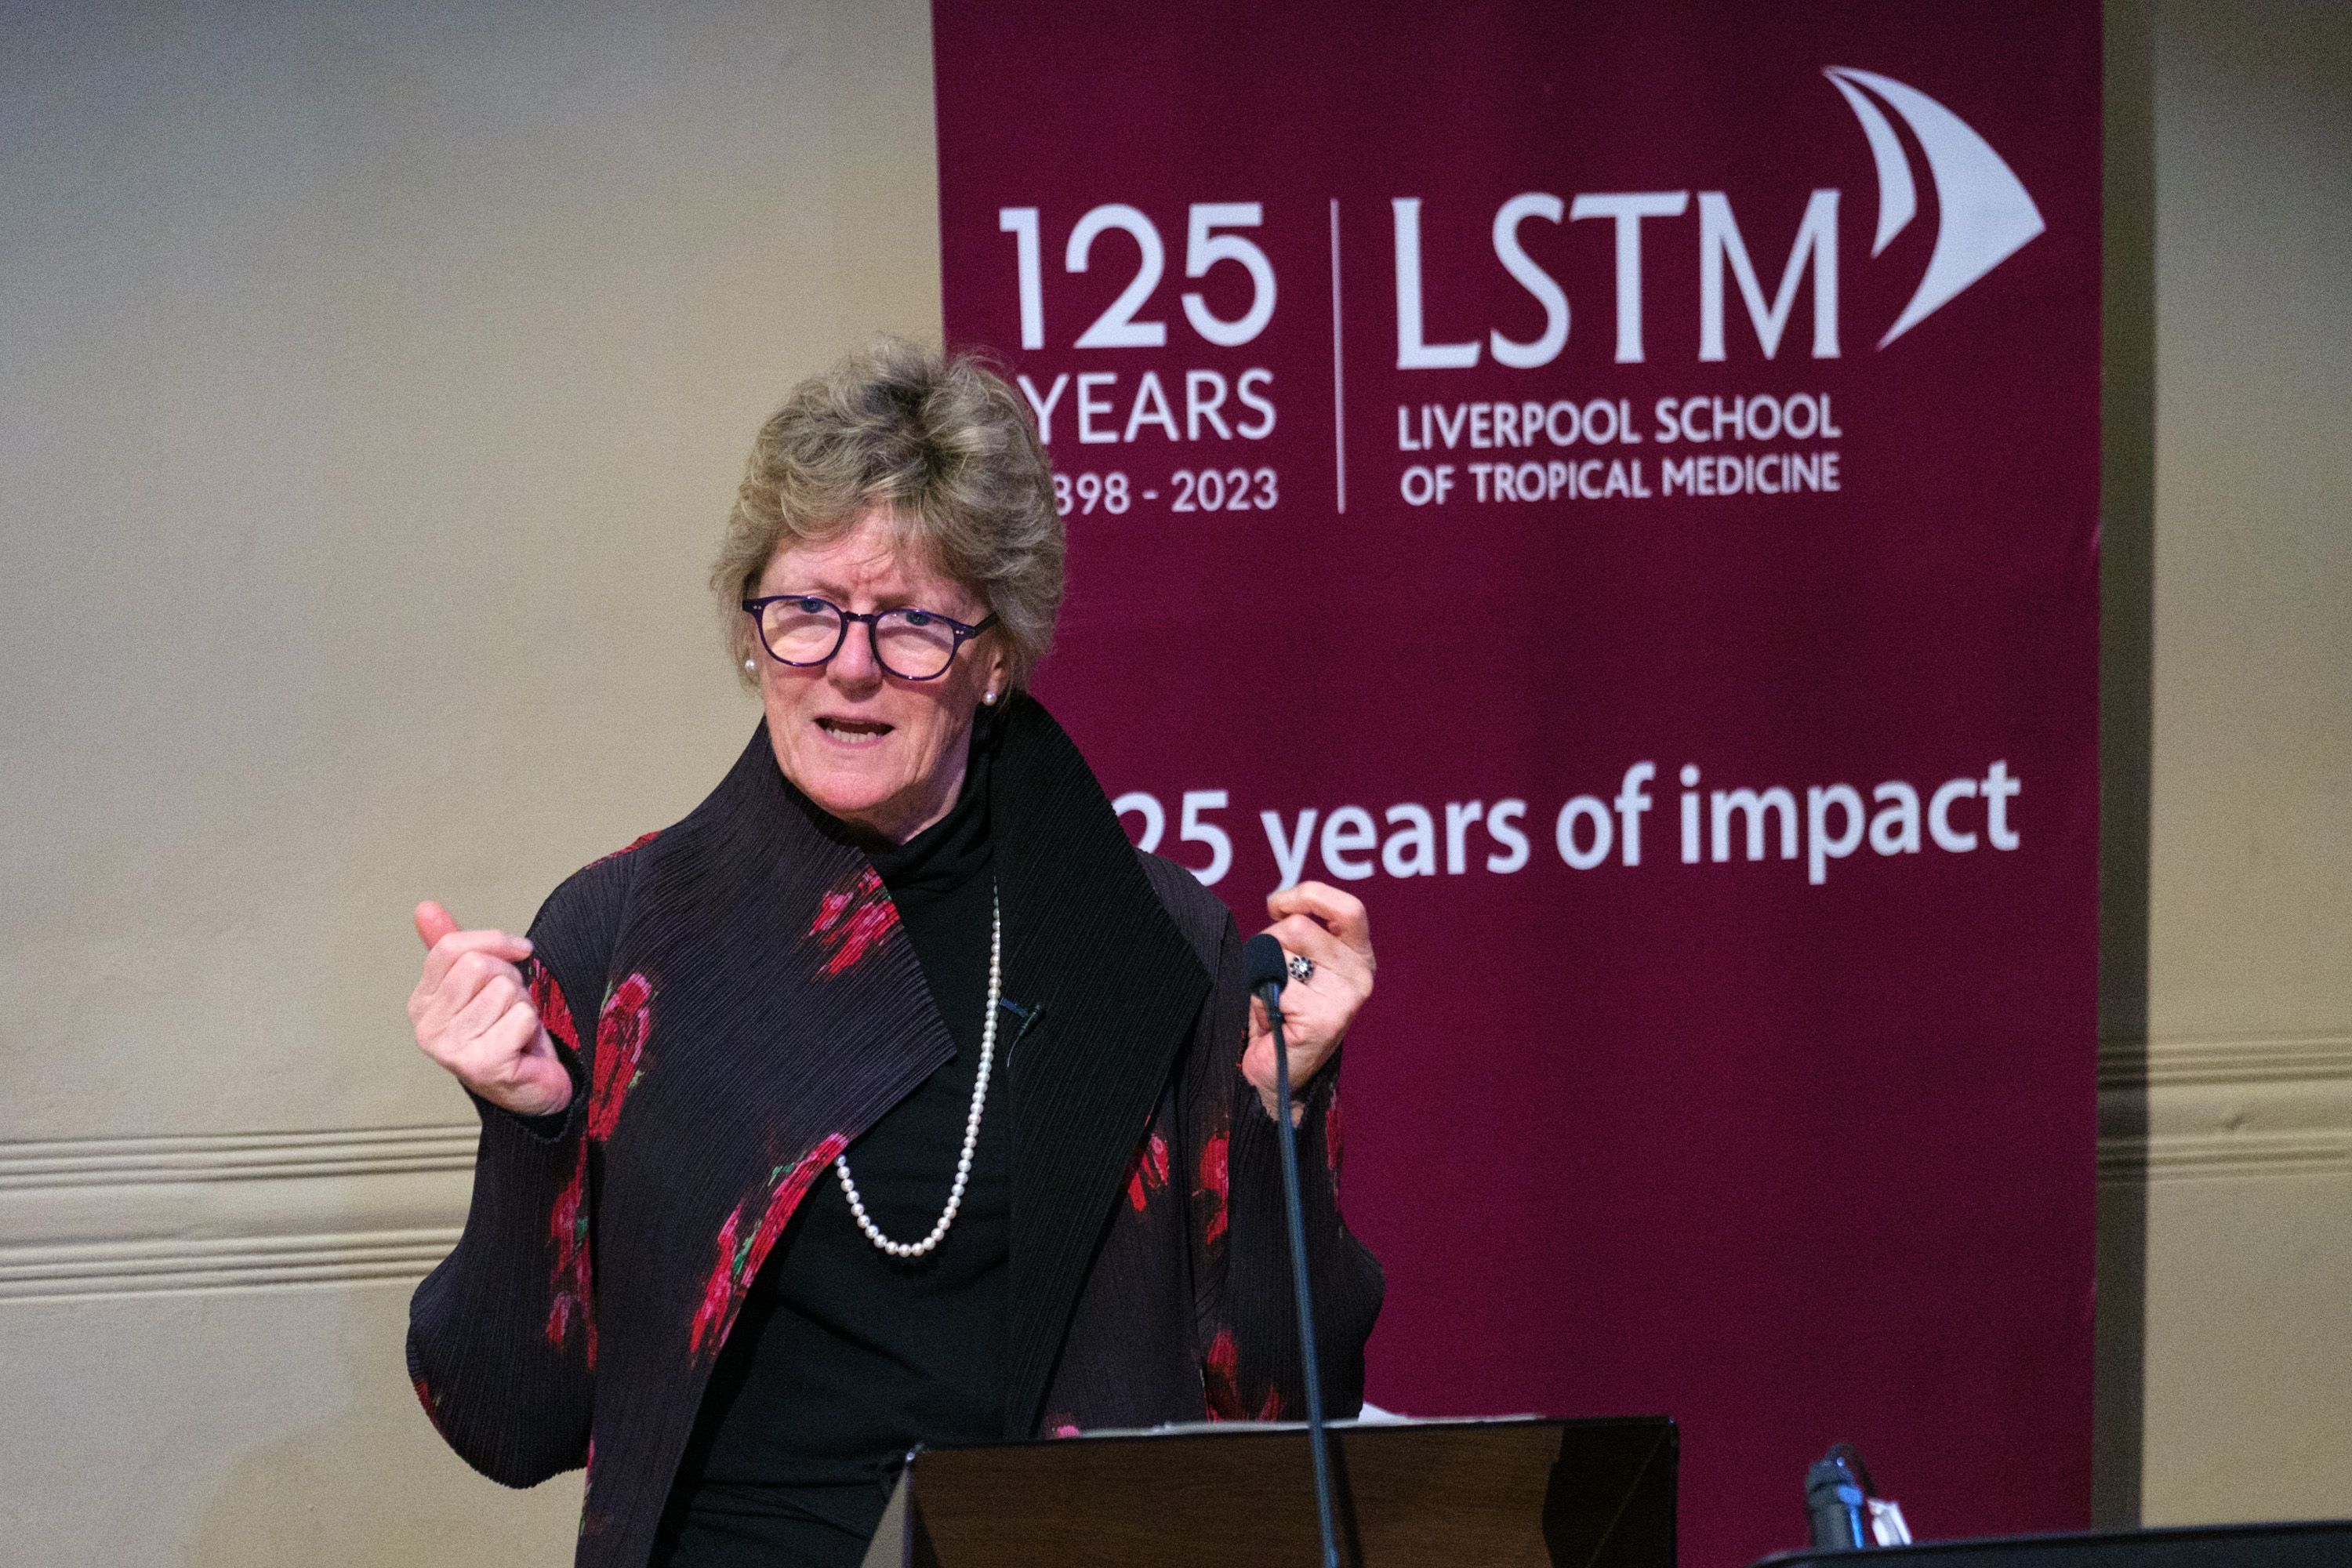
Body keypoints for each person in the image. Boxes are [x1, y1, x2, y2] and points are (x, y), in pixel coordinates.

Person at [405, 340, 1384, 1568]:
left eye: (911, 623)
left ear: (995, 655)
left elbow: (1286, 1403)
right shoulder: (622, 941)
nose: (851, 666)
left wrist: (1284, 1113)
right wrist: (527, 1130)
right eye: (807, 612)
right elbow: (508, 1425)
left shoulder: (1152, 944)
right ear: (752, 633)